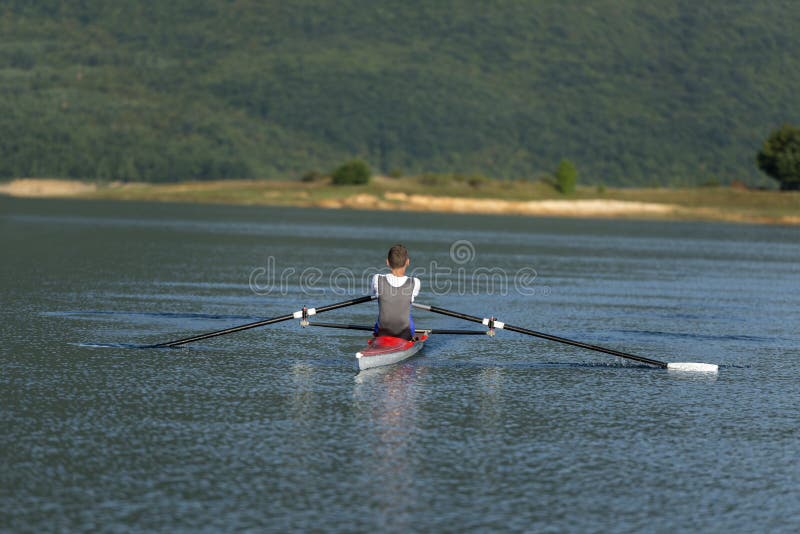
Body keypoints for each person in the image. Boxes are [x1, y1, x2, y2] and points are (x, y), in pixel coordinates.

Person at [372, 244, 420, 340]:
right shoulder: (415, 282)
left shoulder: (377, 279)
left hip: (382, 331)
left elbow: (375, 294)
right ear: (407, 262)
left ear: (387, 262)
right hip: (405, 333)